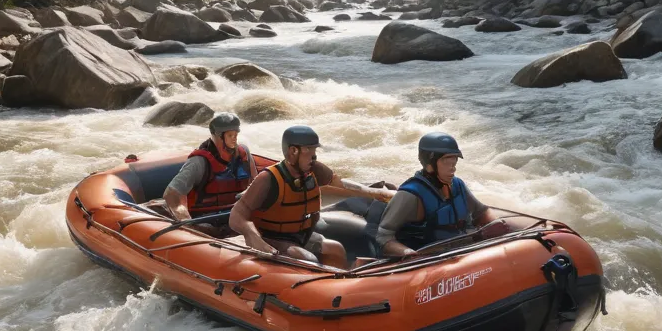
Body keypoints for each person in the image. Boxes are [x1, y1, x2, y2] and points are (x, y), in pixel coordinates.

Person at [229, 125, 394, 268]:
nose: (314, 155)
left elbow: (340, 183)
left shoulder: (314, 169)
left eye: (314, 149)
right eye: (308, 150)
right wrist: (253, 236)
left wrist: (375, 193)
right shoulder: (268, 179)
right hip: (272, 237)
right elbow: (236, 215)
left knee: (335, 249)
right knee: (306, 259)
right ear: (293, 151)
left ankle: (338, 290)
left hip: (301, 234)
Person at [377, 132, 495, 259]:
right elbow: (384, 236)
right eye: (446, 161)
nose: (453, 168)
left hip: (461, 252)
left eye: (454, 160)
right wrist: (406, 253)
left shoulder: (458, 185)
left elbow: (481, 212)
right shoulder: (410, 195)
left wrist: (497, 225)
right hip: (430, 260)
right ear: (429, 163)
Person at [163, 112, 257, 222]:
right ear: (217, 136)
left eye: (236, 135)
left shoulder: (243, 154)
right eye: (230, 135)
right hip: (207, 221)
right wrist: (186, 221)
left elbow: (255, 183)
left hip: (237, 217)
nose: (234, 139)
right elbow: (171, 194)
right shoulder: (199, 162)